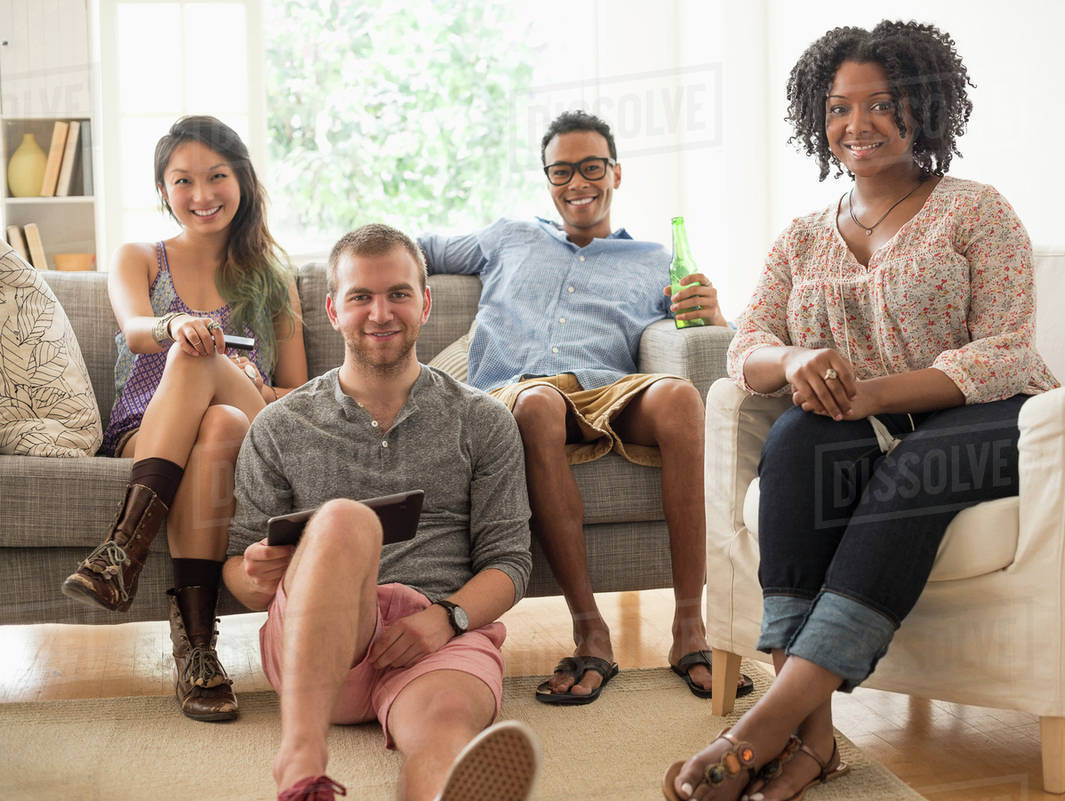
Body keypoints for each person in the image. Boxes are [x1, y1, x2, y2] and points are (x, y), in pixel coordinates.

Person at [664, 20, 1059, 801]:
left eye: (883, 103)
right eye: (840, 107)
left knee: (917, 460)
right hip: (860, 424)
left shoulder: (978, 212)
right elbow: (750, 343)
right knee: (799, 436)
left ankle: (759, 729)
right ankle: (815, 739)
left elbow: (1005, 350)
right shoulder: (804, 236)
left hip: (1000, 417)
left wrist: (873, 393)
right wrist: (797, 361)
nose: (858, 124)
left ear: (926, 107)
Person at [418, 109, 753, 704]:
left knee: (678, 397)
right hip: (519, 389)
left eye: (591, 168)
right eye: (562, 171)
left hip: (607, 387)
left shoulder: (655, 259)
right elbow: (416, 248)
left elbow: (707, 333)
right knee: (540, 406)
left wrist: (716, 317)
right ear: (547, 179)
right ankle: (590, 629)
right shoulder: (506, 236)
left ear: (616, 173)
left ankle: (687, 626)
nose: (578, 183)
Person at [223, 224, 540, 801]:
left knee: (446, 724)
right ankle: (300, 760)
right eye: (360, 297)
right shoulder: (279, 426)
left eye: (397, 293)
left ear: (425, 302)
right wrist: (254, 574)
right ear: (331, 310)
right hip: (321, 643)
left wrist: (444, 619)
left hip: (436, 635)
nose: (380, 313)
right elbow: (239, 577)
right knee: (344, 520)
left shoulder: (483, 420)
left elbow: (510, 562)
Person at [61, 115, 307, 721]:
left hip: (256, 428)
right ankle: (198, 651)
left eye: (217, 177)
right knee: (210, 408)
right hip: (148, 429)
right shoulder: (140, 257)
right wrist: (176, 325)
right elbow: (136, 330)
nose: (202, 195)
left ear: (242, 181)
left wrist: (247, 377)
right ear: (163, 190)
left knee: (223, 401)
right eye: (183, 181)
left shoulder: (274, 276)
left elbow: (297, 393)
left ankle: (121, 552)